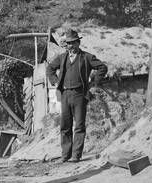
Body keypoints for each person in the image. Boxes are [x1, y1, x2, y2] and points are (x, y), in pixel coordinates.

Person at [45, 28, 108, 162]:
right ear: (66, 45)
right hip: (65, 94)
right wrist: (55, 82)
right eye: (68, 43)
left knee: (79, 126)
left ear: (78, 43)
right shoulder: (62, 58)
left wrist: (93, 83)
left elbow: (102, 67)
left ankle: (76, 156)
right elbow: (49, 68)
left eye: (73, 43)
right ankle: (65, 155)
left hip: (80, 94)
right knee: (65, 126)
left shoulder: (86, 57)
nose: (71, 46)